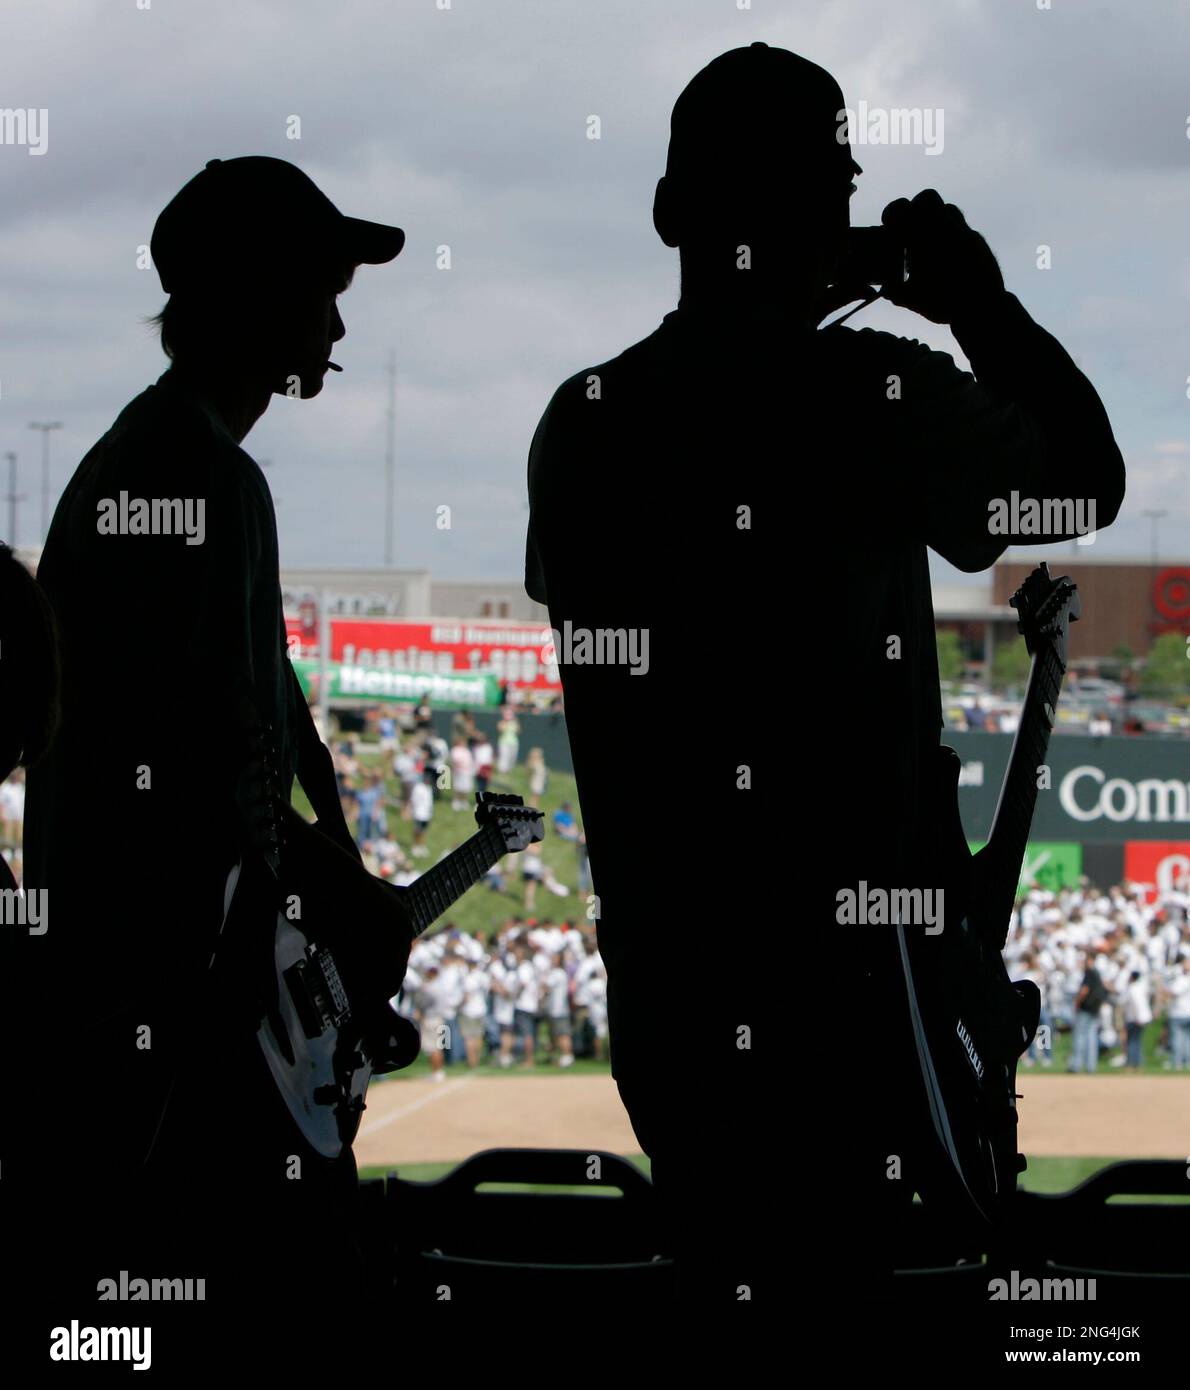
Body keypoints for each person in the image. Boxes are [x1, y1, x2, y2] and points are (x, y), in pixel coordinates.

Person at [525, 45, 1125, 1297]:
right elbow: (1083, 475)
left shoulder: (580, 421)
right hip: (861, 1021)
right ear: (823, 214)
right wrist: (969, 300)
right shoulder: (872, 394)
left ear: (668, 215)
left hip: (676, 1007)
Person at [20, 157, 415, 1316]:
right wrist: (336, 893)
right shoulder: (200, 477)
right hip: (185, 1040)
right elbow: (210, 792)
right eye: (320, 290)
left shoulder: (159, 462)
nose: (338, 321)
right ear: (256, 300)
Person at [1071, 952, 1108, 1072]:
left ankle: (1076, 1065)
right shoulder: (1097, 973)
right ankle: (1091, 1066)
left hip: (1086, 1008)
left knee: (1080, 1036)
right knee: (1091, 1037)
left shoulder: (1089, 972)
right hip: (1095, 1009)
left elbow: (1084, 990)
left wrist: (1076, 1002)